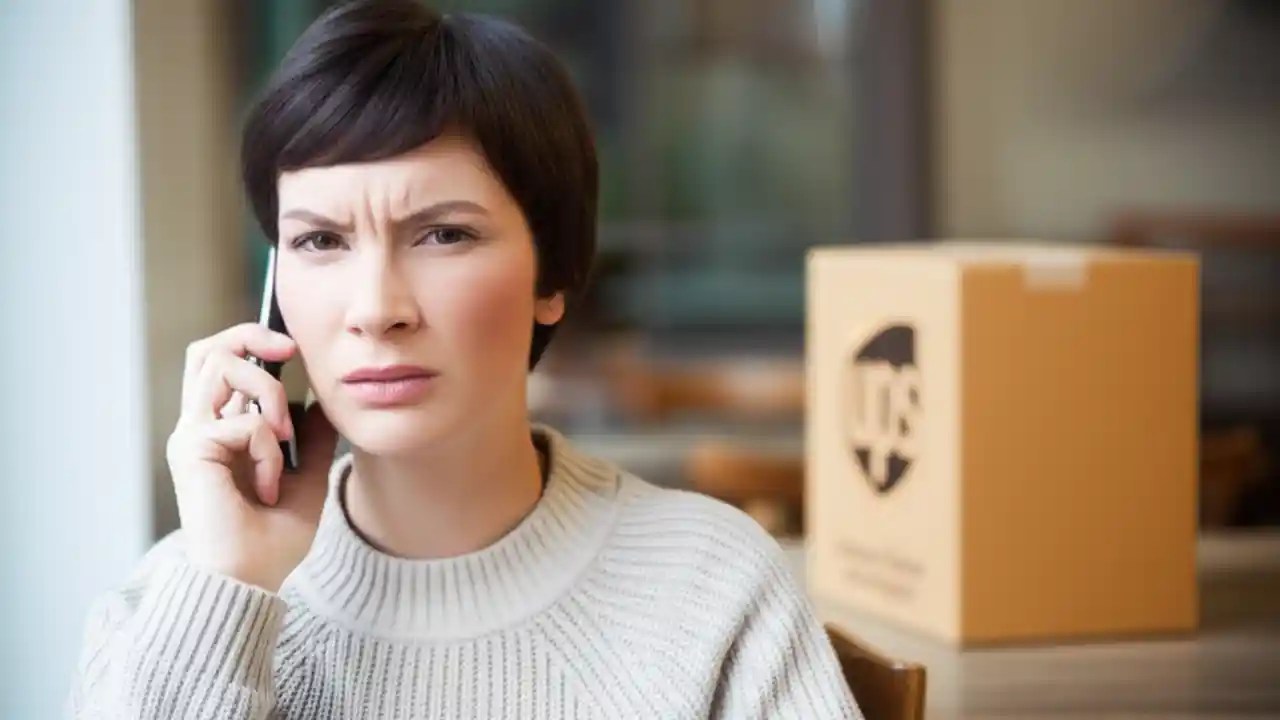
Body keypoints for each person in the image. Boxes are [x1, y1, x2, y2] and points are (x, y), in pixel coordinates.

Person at [67, 1, 861, 717]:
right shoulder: (170, 610)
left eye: (444, 234)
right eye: (319, 241)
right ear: (276, 290)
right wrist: (231, 589)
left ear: (552, 274)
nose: (377, 309)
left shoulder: (714, 590)